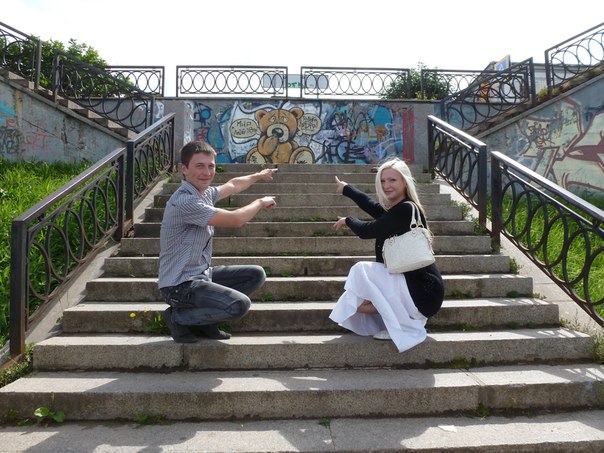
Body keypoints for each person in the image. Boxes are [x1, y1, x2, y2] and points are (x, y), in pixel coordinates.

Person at [158, 140, 277, 343]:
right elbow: (235, 220)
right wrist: (259, 202)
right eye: (199, 166)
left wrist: (259, 175)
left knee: (256, 274)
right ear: (184, 169)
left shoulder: (204, 194)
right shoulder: (185, 201)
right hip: (179, 286)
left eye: (211, 166)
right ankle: (179, 318)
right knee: (239, 305)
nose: (206, 172)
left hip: (201, 275)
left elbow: (233, 185)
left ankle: (206, 321)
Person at [329, 158, 445, 352]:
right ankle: (398, 322)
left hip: (424, 291)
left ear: (405, 182)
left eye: (392, 180)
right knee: (355, 301)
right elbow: (373, 207)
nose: (386, 185)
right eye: (383, 181)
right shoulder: (399, 210)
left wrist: (348, 220)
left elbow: (367, 231)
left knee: (361, 270)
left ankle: (400, 327)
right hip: (415, 290)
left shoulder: (406, 209)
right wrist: (347, 189)